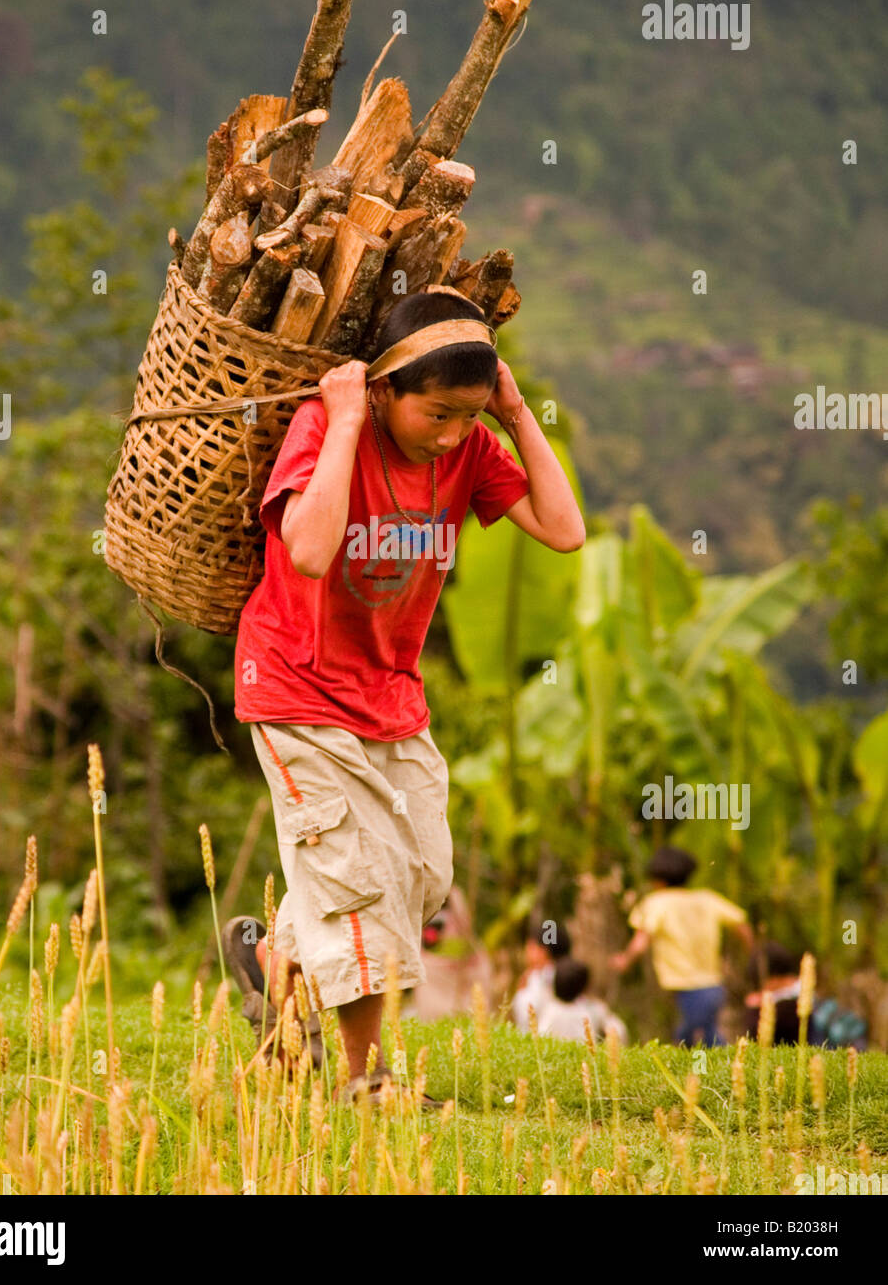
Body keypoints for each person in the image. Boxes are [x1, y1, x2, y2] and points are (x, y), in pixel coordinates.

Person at [222, 288, 586, 1103]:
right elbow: (311, 552)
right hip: (296, 686)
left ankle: (277, 963)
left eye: (470, 414)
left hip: (391, 696)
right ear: (384, 389)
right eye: (437, 413)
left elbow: (565, 530)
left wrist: (517, 414)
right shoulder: (328, 430)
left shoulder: (468, 451)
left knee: (421, 872)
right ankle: (367, 1081)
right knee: (358, 880)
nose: (453, 433)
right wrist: (346, 416)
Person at [609, 845, 754, 1046]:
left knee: (696, 1034)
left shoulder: (655, 902)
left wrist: (624, 960)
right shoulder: (707, 899)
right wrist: (750, 953)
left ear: (657, 879)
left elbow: (641, 941)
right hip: (711, 980)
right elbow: (742, 925)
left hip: (682, 981)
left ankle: (714, 1068)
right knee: (701, 1031)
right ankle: (715, 1067)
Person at [409, 884, 493, 1021]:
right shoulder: (420, 893)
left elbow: (466, 929)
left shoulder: (453, 895)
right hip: (432, 970)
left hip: (456, 969)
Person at [537, 955, 628, 1044]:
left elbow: (540, 1037)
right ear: (584, 988)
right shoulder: (591, 1010)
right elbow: (619, 1031)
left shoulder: (549, 1009)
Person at [512, 917, 571, 1031]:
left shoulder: (541, 977)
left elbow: (526, 1015)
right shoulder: (564, 973)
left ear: (543, 951)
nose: (527, 950)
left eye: (531, 946)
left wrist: (521, 992)